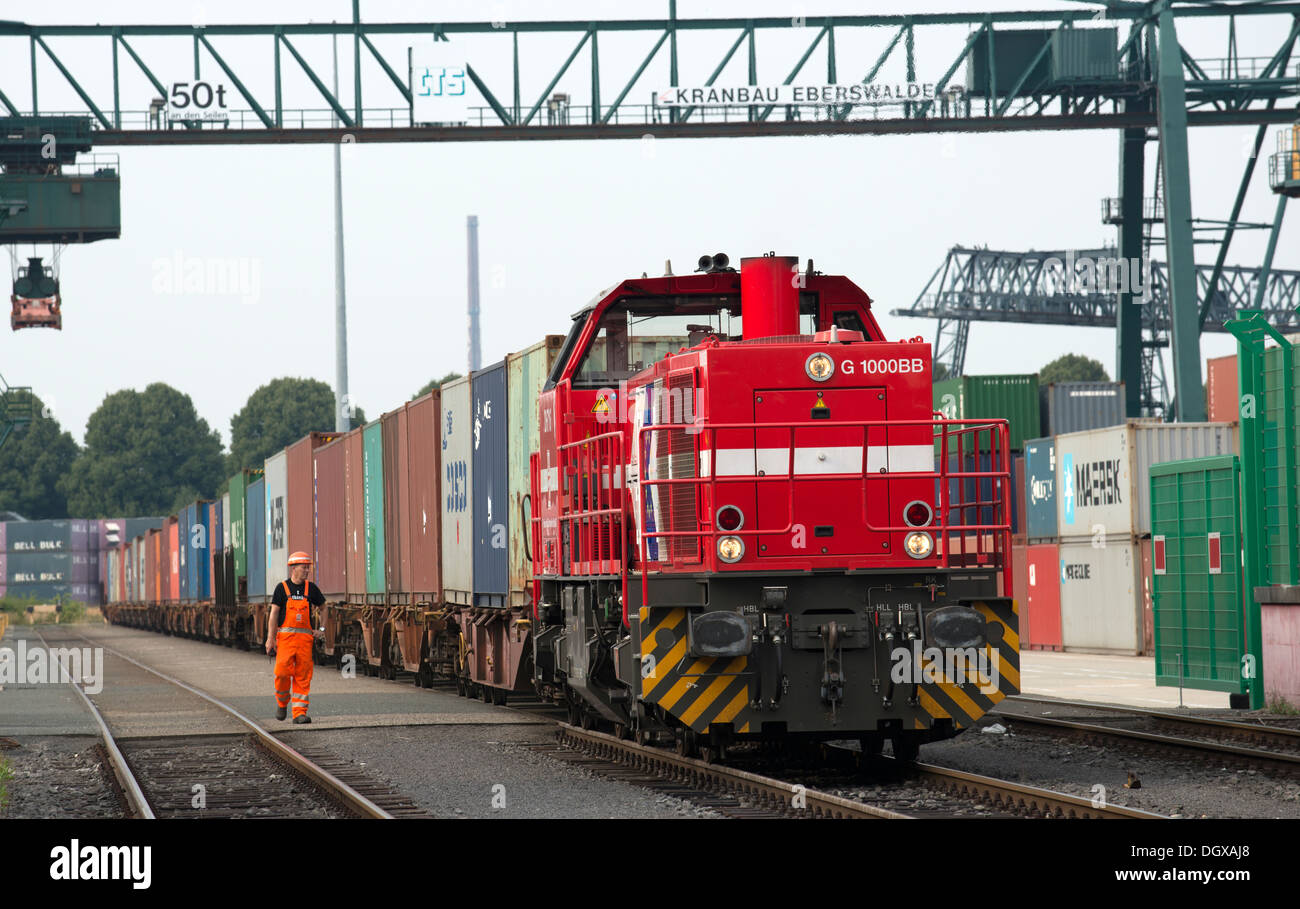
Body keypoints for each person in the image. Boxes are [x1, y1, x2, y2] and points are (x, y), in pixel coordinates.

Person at [266, 551, 326, 724]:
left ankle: (299, 713)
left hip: (304, 642)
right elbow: (273, 615)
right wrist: (270, 639)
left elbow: (324, 608)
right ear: (293, 568)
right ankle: (282, 702)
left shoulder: (311, 589)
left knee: (303, 675)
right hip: (285, 640)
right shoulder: (282, 588)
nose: (307, 570)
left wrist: (321, 629)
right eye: (303, 567)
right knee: (282, 673)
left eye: (308, 567)